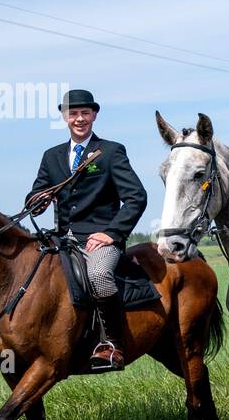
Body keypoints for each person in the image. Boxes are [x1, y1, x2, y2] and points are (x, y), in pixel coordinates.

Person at [26, 89, 147, 370]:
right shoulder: (51, 156)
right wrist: (37, 202)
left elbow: (136, 197)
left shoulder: (111, 152)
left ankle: (113, 345)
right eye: (73, 113)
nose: (79, 119)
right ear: (65, 117)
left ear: (94, 115)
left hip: (100, 238)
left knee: (100, 274)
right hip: (62, 238)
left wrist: (112, 233)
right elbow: (36, 192)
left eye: (84, 113)